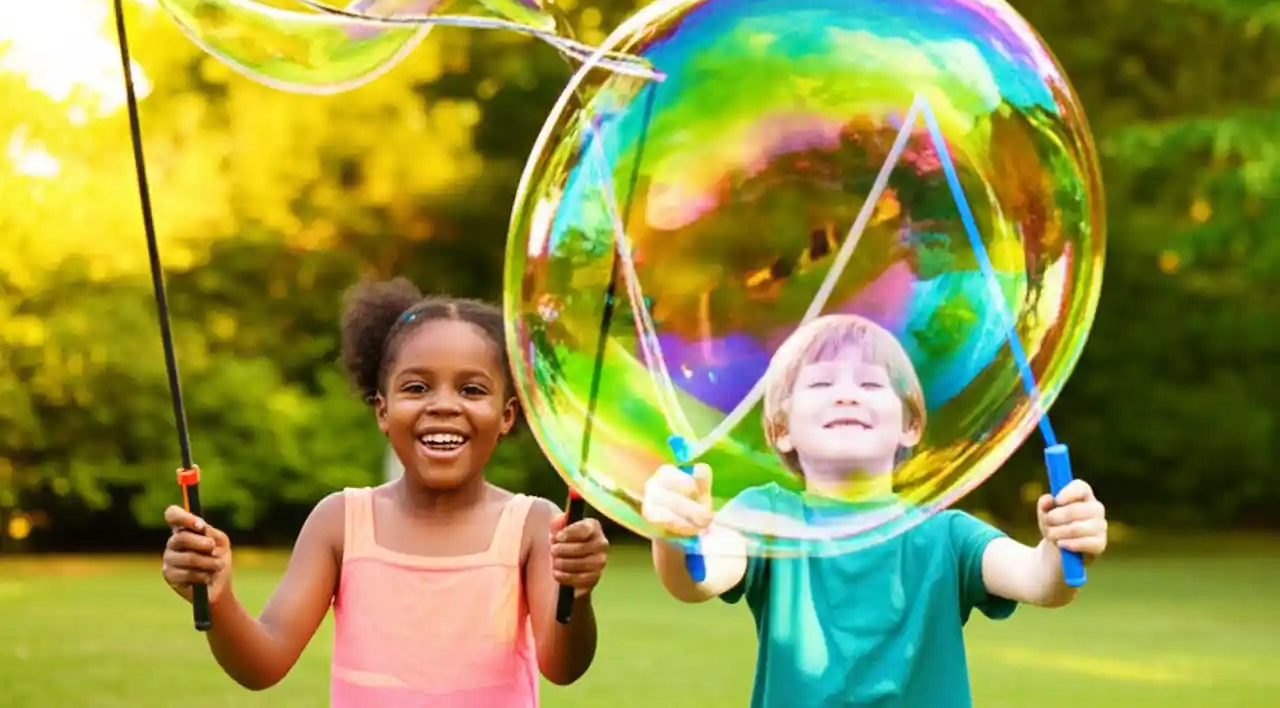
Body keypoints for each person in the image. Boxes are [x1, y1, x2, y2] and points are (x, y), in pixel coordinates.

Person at [161, 278, 609, 707]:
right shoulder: (339, 521)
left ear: (507, 415)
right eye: (417, 388)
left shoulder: (532, 524)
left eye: (472, 390)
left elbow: (563, 665)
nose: (444, 405)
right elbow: (263, 663)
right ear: (383, 410)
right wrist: (217, 599)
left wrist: (578, 591)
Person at [642, 313, 1108, 707]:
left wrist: (1063, 542)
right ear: (782, 429)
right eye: (821, 383)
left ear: (909, 425)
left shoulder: (944, 533)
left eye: (869, 383)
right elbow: (697, 576)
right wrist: (675, 530)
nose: (846, 394)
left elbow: (1041, 580)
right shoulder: (766, 516)